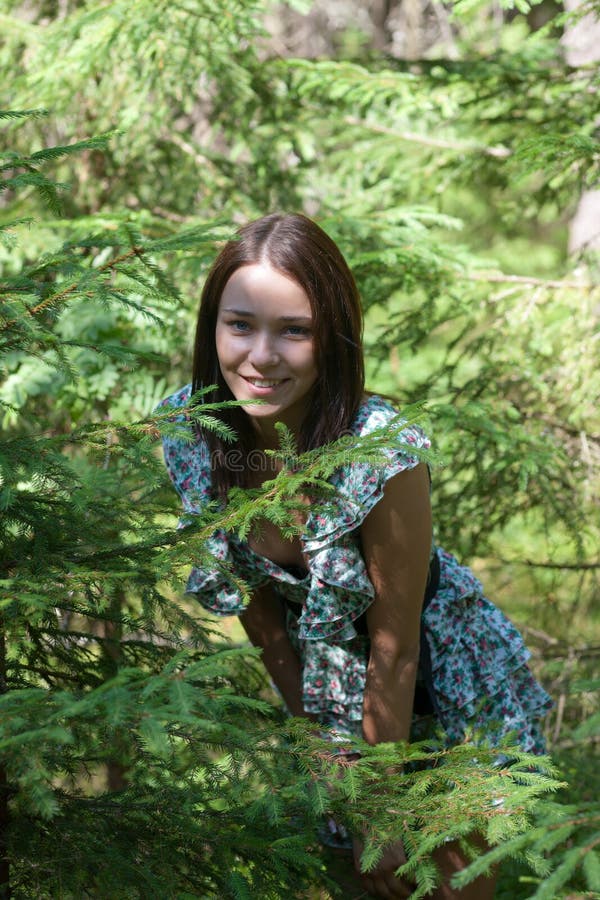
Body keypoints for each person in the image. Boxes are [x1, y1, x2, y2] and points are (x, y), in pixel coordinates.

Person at [158, 213, 552, 899]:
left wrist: (381, 812)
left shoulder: (383, 451)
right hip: (326, 680)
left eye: (295, 331)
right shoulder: (194, 432)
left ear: (332, 336)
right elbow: (259, 611)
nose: (260, 356)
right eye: (240, 324)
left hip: (434, 672)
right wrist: (320, 747)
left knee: (441, 884)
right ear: (211, 328)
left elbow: (396, 648)